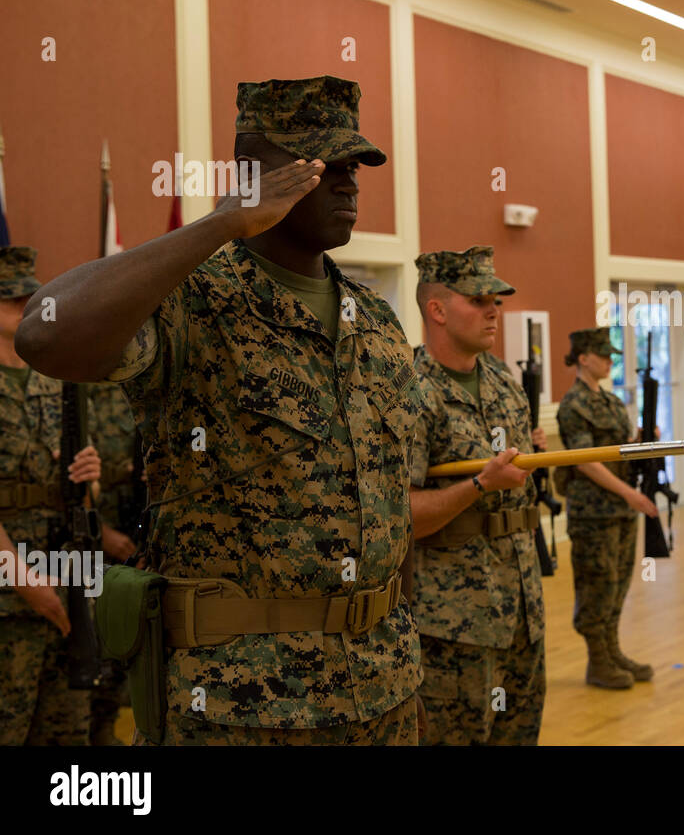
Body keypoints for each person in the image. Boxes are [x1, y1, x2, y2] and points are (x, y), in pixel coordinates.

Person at [16, 76, 423, 745]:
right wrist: (224, 222)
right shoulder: (193, 302)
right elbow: (44, 334)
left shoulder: (375, 322)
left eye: (354, 168)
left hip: (386, 686)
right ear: (253, 175)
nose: (349, 185)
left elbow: (389, 504)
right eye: (324, 167)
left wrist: (411, 672)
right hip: (247, 703)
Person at [406, 246, 547, 744]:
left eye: (498, 300)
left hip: (522, 607)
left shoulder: (505, 383)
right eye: (478, 299)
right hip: (454, 623)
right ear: (437, 310)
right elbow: (401, 516)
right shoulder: (411, 392)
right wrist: (480, 484)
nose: (494, 310)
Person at [0, 246, 102, 746]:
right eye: (12, 298)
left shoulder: (54, 379)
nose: (25, 307)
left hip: (63, 572)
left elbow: (80, 491)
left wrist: (91, 474)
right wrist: (20, 580)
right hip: (8, 591)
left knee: (66, 730)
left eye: (29, 297)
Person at [555, 327, 658, 689]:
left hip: (620, 509)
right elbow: (586, 461)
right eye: (603, 354)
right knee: (597, 583)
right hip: (594, 511)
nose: (610, 360)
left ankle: (613, 651)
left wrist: (645, 440)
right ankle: (598, 661)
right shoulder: (573, 405)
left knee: (618, 583)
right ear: (583, 358)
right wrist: (628, 494)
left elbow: (620, 451)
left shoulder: (612, 403)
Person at [84, 381, 140, 745]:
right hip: (87, 540)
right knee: (92, 641)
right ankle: (91, 724)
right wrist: (100, 534)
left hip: (133, 530)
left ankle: (105, 723)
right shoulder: (75, 392)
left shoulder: (136, 391)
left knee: (124, 637)